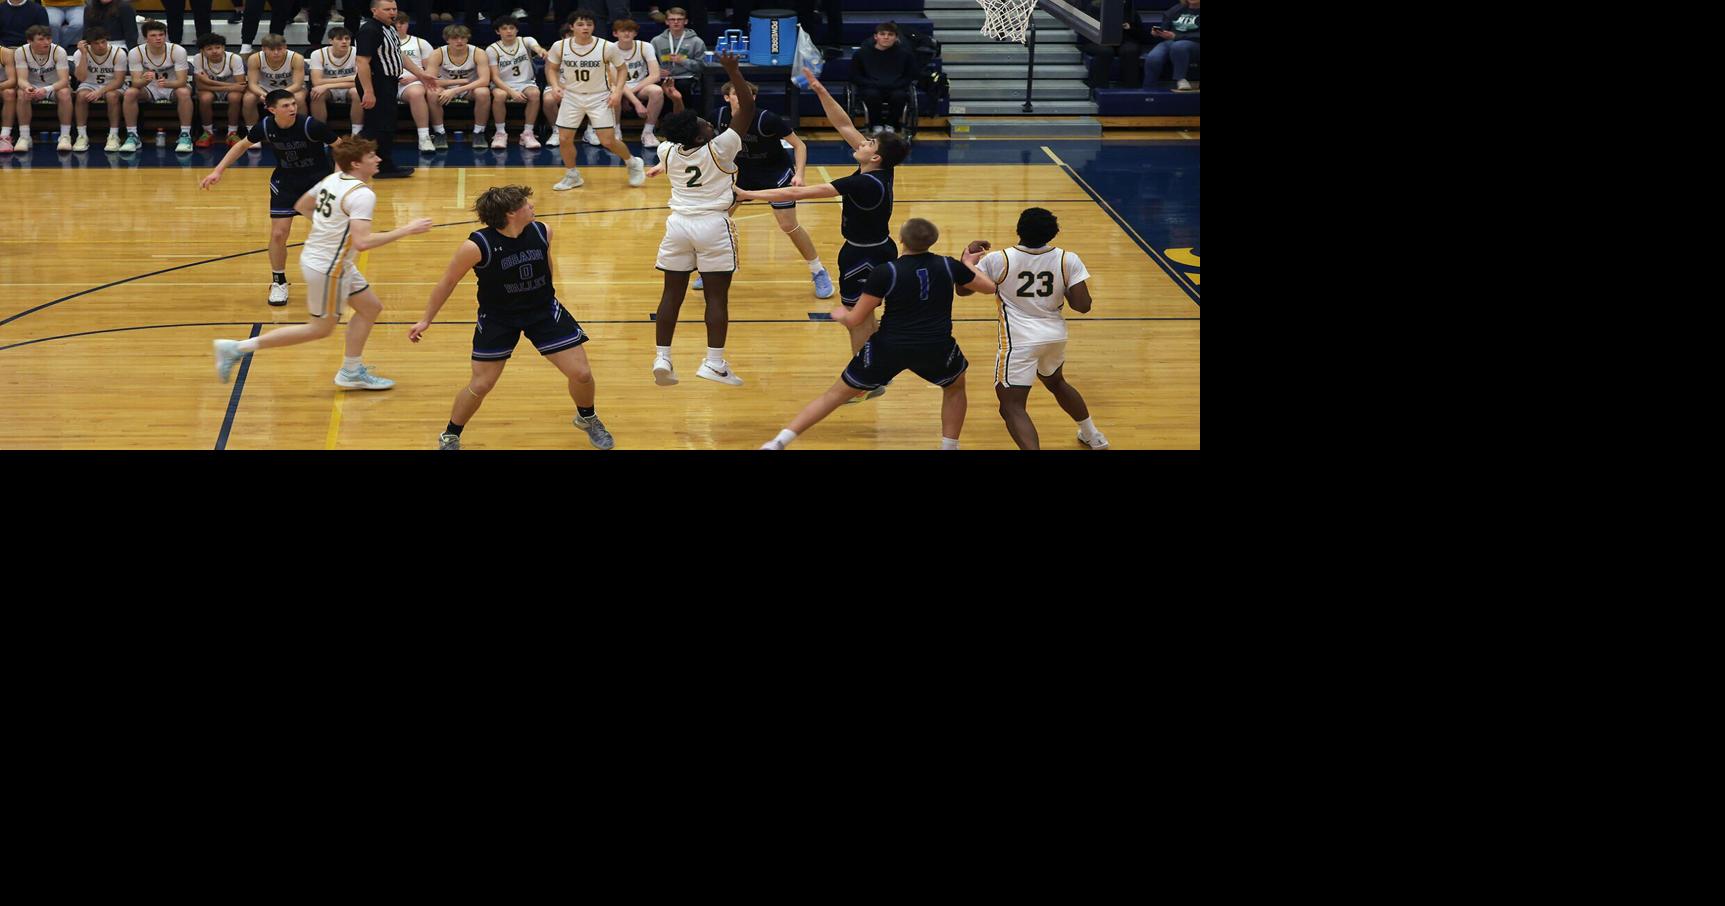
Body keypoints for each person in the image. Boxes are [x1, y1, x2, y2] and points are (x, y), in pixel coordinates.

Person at [213, 135, 435, 389]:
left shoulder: (332, 179)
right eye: (371, 156)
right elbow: (362, 243)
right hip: (329, 267)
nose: (379, 159)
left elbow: (302, 205)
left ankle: (351, 371)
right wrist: (406, 229)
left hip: (328, 259)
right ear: (355, 164)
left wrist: (328, 228)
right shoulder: (362, 194)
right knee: (319, 329)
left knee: (370, 308)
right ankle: (237, 348)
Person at [759, 218, 997, 450]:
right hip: (936, 346)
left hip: (889, 347)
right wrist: (968, 263)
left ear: (901, 240)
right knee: (954, 388)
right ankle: (949, 446)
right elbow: (989, 288)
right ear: (933, 241)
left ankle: (778, 442)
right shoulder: (948, 265)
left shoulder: (886, 271)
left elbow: (855, 319)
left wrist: (840, 314)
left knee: (834, 396)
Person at [408, 185, 614, 451]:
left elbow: (546, 262)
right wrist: (426, 319)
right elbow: (447, 281)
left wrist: (548, 293)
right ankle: (451, 434)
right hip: (498, 318)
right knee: (481, 384)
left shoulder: (542, 231)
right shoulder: (476, 245)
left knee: (582, 373)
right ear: (511, 213)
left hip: (542, 311)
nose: (532, 207)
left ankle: (587, 417)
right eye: (527, 205)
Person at [733, 66, 908, 366]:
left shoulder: (861, 183)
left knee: (857, 318)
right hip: (876, 248)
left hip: (863, 255)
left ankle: (865, 373)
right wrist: (819, 88)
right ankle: (875, 365)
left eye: (868, 144)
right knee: (865, 314)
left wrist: (749, 194)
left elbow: (794, 193)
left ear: (875, 156)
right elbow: (843, 124)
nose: (861, 142)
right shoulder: (882, 168)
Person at [640, 49, 749, 387]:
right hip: (712, 225)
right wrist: (732, 71)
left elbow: (679, 130)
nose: (708, 122)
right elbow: (747, 108)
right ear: (702, 135)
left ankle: (663, 356)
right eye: (703, 123)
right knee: (716, 298)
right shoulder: (721, 148)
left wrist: (676, 102)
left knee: (671, 294)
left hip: (678, 226)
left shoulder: (667, 150)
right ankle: (714, 363)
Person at [966, 207, 1109, 450]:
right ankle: (1092, 435)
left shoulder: (1000, 259)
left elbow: (964, 289)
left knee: (1011, 406)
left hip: (1019, 341)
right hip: (1054, 336)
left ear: (1018, 230)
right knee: (1056, 382)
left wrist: (967, 258)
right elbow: (1083, 306)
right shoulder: (1067, 259)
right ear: (1053, 233)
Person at [200, 88, 342, 306]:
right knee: (278, 234)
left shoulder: (310, 125)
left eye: (293, 104)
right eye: (286, 106)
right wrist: (218, 171)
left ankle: (334, 278)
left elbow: (340, 147)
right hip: (286, 183)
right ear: (272, 109)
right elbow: (241, 145)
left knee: (329, 234)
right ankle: (279, 282)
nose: (292, 108)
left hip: (317, 185)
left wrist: (337, 180)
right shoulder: (265, 126)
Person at [706, 78, 830, 299]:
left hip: (775, 174)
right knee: (717, 221)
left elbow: (799, 145)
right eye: (738, 93)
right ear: (727, 97)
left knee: (788, 225)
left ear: (753, 98)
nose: (745, 98)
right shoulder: (718, 116)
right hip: (741, 175)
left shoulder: (766, 119)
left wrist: (799, 174)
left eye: (750, 94)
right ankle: (715, 268)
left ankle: (818, 270)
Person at [544, 8, 642, 190]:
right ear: (572, 27)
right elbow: (551, 68)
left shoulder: (606, 46)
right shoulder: (560, 46)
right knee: (564, 139)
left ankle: (633, 162)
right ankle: (572, 175)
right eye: (580, 24)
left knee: (607, 141)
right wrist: (555, 85)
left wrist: (617, 92)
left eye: (589, 24)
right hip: (572, 96)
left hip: (599, 97)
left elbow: (622, 69)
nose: (585, 27)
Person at [354, 0, 437, 178]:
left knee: (385, 126)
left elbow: (399, 55)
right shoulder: (370, 30)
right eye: (387, 9)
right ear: (374, 10)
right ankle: (347, 159)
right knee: (376, 127)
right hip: (376, 82)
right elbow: (362, 62)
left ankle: (383, 164)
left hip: (389, 82)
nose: (392, 12)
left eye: (394, 9)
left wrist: (421, 74)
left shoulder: (390, 28)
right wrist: (369, 91)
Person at [481, 14, 545, 149]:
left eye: (512, 28)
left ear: (517, 30)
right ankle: (500, 133)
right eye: (504, 28)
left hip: (525, 82)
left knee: (534, 94)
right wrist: (511, 92)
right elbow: (495, 77)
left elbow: (536, 47)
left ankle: (527, 133)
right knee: (499, 95)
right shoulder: (492, 49)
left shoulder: (526, 41)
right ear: (498, 31)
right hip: (502, 84)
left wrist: (540, 51)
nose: (509, 31)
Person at [422, 22, 489, 149]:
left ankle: (479, 132)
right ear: (447, 40)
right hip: (446, 88)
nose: (459, 41)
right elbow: (430, 81)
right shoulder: (437, 53)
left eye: (463, 38)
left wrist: (457, 90)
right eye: (455, 38)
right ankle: (439, 133)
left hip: (470, 89)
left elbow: (485, 80)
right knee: (432, 92)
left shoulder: (478, 52)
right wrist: (454, 84)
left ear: (467, 38)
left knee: (483, 92)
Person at [850, 21, 918, 134]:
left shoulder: (905, 54)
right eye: (882, 34)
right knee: (872, 95)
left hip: (895, 86)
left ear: (896, 37)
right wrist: (870, 83)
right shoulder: (861, 53)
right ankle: (876, 124)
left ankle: (891, 124)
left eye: (890, 34)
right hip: (871, 86)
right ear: (876, 36)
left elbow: (910, 75)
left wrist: (897, 84)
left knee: (899, 96)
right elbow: (854, 76)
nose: (886, 37)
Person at [12, 24, 69, 150]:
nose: (46, 42)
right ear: (29, 41)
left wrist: (46, 89)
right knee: (22, 93)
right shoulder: (21, 52)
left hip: (54, 87)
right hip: (33, 86)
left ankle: (65, 136)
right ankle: (25, 137)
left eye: (48, 38)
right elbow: (21, 79)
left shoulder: (59, 51)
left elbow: (64, 81)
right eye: (41, 39)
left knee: (65, 93)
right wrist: (28, 88)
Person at [70, 23, 122, 150]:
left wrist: (100, 92)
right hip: (89, 84)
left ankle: (114, 135)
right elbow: (81, 78)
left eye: (103, 42)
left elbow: (119, 80)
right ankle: (82, 136)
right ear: (88, 44)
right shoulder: (79, 53)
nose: (101, 46)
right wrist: (83, 55)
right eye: (96, 43)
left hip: (111, 84)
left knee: (112, 96)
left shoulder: (118, 53)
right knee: (81, 96)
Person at [609, 17, 659, 146]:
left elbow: (655, 76)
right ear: (615, 33)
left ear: (635, 33)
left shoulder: (645, 46)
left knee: (657, 91)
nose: (627, 33)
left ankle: (648, 133)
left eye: (630, 31)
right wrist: (636, 103)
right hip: (618, 86)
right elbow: (616, 81)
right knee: (615, 92)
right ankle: (615, 130)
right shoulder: (609, 49)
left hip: (640, 86)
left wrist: (630, 94)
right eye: (622, 31)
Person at [391, 10, 436, 151]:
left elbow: (431, 70)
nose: (398, 26)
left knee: (417, 93)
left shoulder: (420, 43)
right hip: (386, 82)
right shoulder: (381, 41)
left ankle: (424, 137)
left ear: (407, 24)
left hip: (411, 82)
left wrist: (414, 77)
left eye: (402, 23)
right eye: (395, 23)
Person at [191, 32, 246, 147]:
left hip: (229, 90)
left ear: (223, 48)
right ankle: (208, 132)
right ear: (202, 51)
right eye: (209, 49)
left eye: (218, 47)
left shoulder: (234, 58)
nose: (215, 51)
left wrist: (209, 81)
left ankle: (232, 132)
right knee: (205, 98)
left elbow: (240, 85)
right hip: (215, 89)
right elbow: (200, 86)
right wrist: (229, 86)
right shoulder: (198, 58)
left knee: (235, 97)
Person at [1078, 0, 1147, 89]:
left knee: (1130, 50)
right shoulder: (1094, 7)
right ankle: (1099, 87)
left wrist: (1129, 28)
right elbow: (1087, 30)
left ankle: (1131, 88)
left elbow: (1141, 33)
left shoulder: (1129, 9)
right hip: (1098, 41)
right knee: (1106, 51)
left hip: (1125, 40)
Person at [244, 33, 306, 128]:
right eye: (272, 50)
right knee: (248, 99)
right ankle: (252, 131)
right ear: (264, 49)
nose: (276, 53)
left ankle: (301, 129)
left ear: (285, 47)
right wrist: (266, 95)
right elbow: (252, 84)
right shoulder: (254, 58)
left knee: (299, 98)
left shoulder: (296, 58)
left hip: (290, 88)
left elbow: (298, 84)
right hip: (264, 89)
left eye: (280, 49)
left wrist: (277, 95)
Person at [647, 6, 701, 114]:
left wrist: (683, 61)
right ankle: (662, 121)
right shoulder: (656, 41)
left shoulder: (696, 41)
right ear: (667, 22)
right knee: (657, 88)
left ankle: (685, 119)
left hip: (686, 77)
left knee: (682, 86)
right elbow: (648, 63)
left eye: (679, 19)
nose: (676, 22)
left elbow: (701, 65)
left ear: (685, 21)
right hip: (663, 77)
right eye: (672, 19)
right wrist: (657, 70)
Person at [307, 26, 360, 130]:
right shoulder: (318, 54)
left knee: (358, 92)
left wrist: (326, 84)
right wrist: (350, 78)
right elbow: (317, 82)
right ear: (331, 41)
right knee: (317, 93)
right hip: (329, 90)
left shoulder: (358, 52)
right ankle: (320, 131)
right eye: (339, 39)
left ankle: (356, 132)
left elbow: (360, 82)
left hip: (348, 88)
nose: (344, 42)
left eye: (347, 38)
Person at [1143, 0, 1198, 91]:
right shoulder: (1177, 8)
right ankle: (1148, 89)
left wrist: (1177, 36)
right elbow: (1165, 27)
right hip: (1171, 41)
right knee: (1153, 57)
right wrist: (1159, 32)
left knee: (1179, 46)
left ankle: (1180, 79)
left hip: (1194, 43)